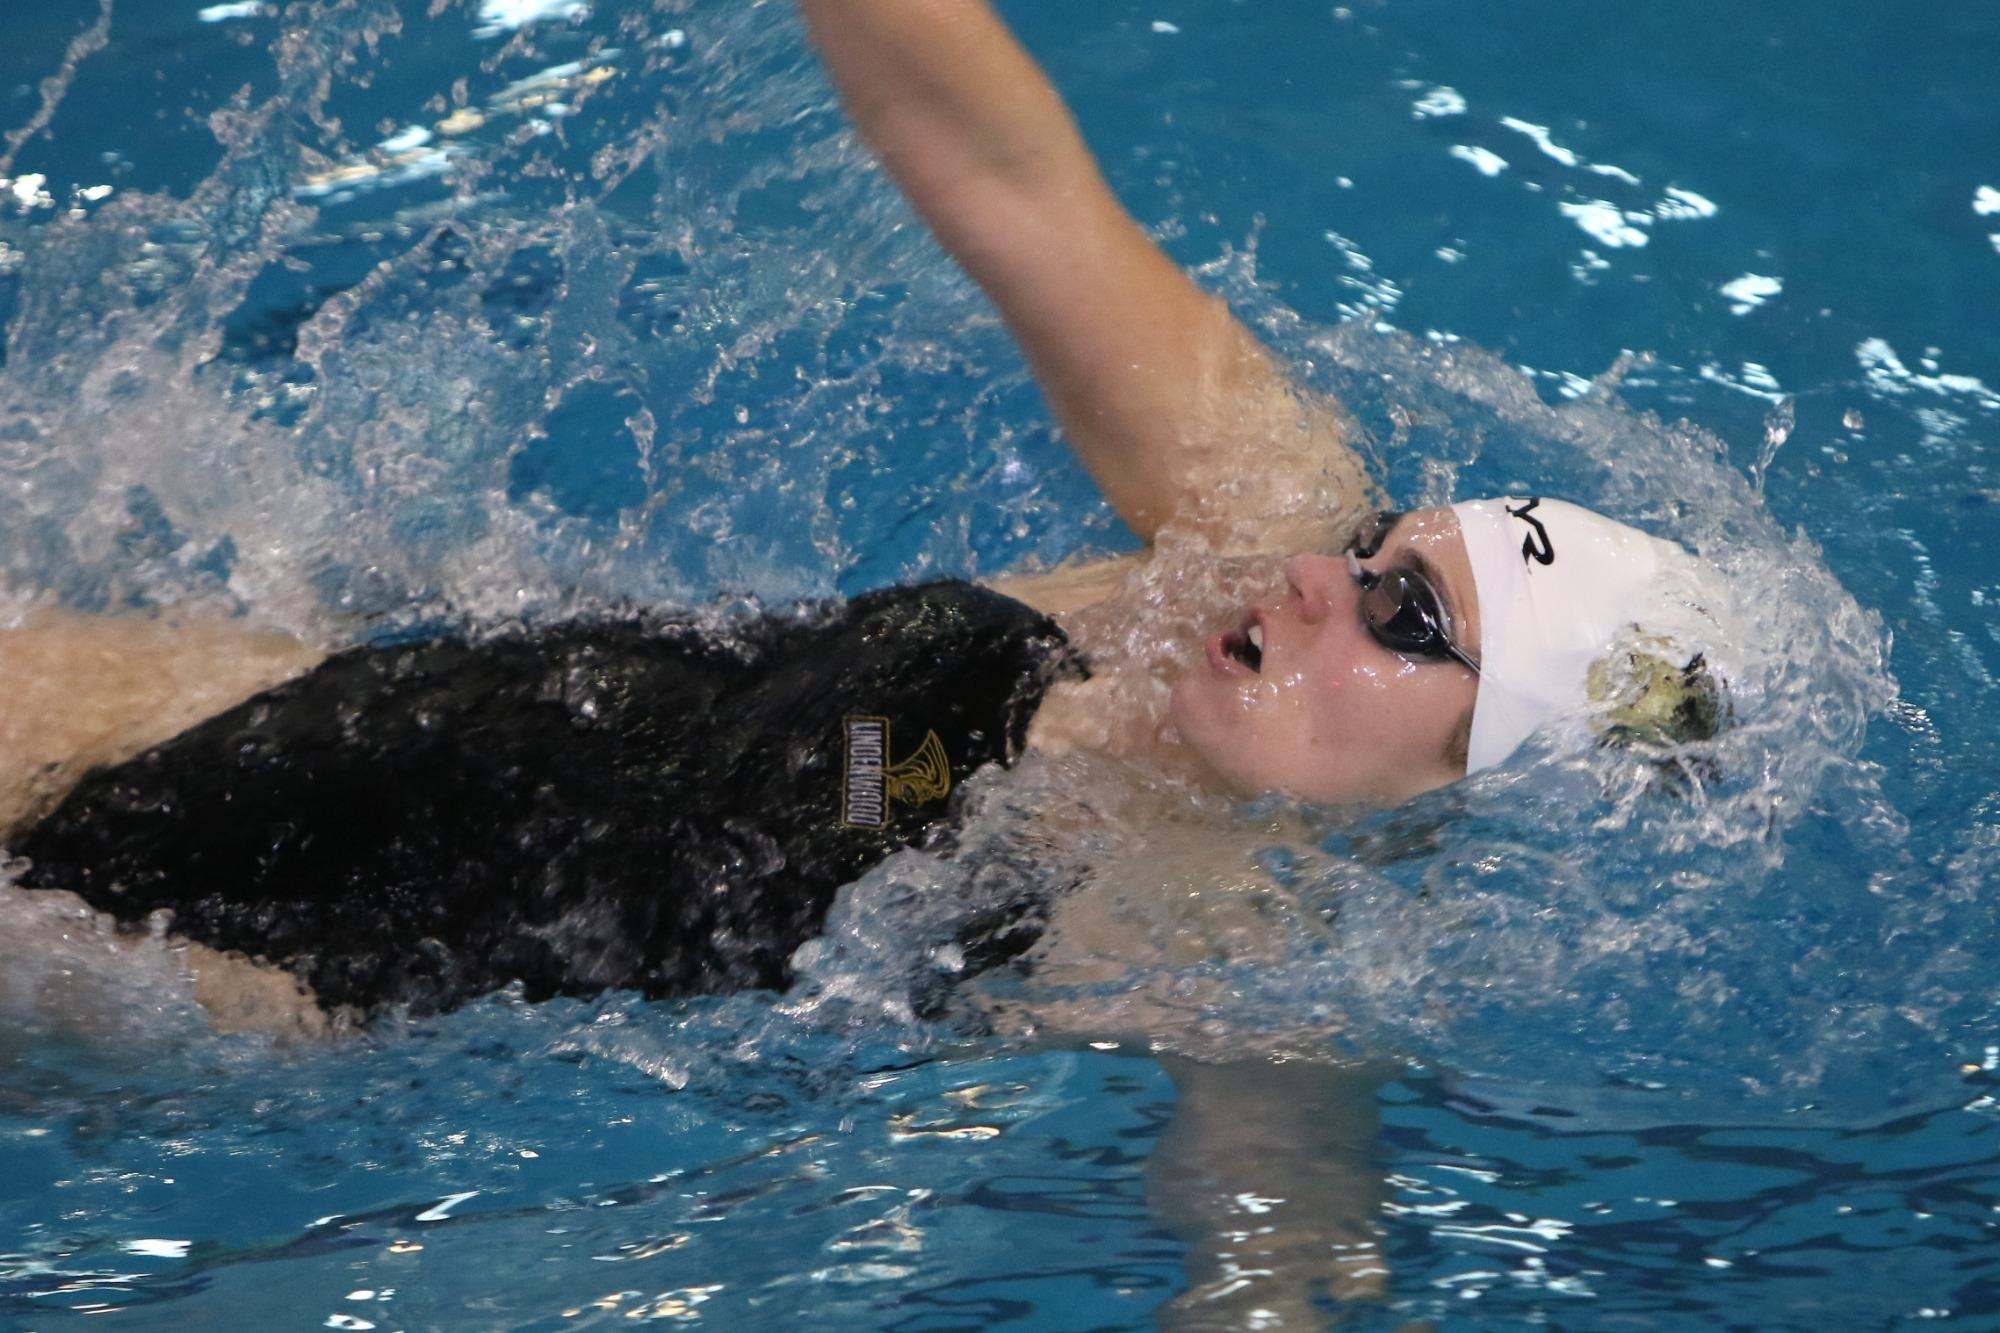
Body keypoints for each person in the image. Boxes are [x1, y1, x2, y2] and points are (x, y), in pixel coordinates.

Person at [0, 0, 1721, 1026]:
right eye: (1375, 553)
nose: (1312, 573)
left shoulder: (1217, 963)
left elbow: (1271, 1240)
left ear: (1480, 786)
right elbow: (1012, 178)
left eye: (1406, 618)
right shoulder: (1236, 529)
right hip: (335, 702)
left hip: (255, 995)